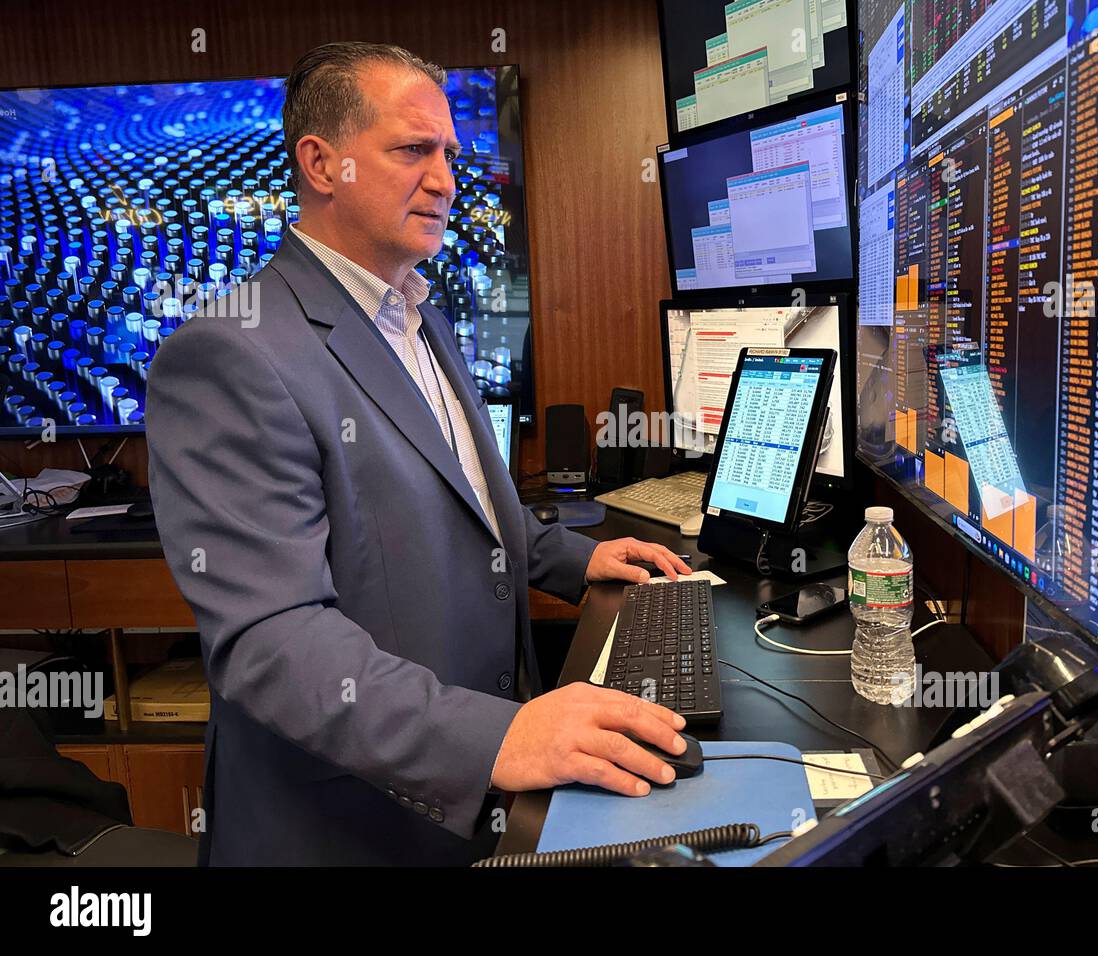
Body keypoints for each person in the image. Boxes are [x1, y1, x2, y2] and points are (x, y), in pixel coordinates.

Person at [146, 42, 690, 865]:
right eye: (413, 150)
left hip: (468, 806)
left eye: (450, 154)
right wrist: (497, 737)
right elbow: (274, 638)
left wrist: (572, 560)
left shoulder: (417, 310)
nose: (444, 178)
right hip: (352, 826)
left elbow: (460, 502)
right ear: (321, 164)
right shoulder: (229, 351)